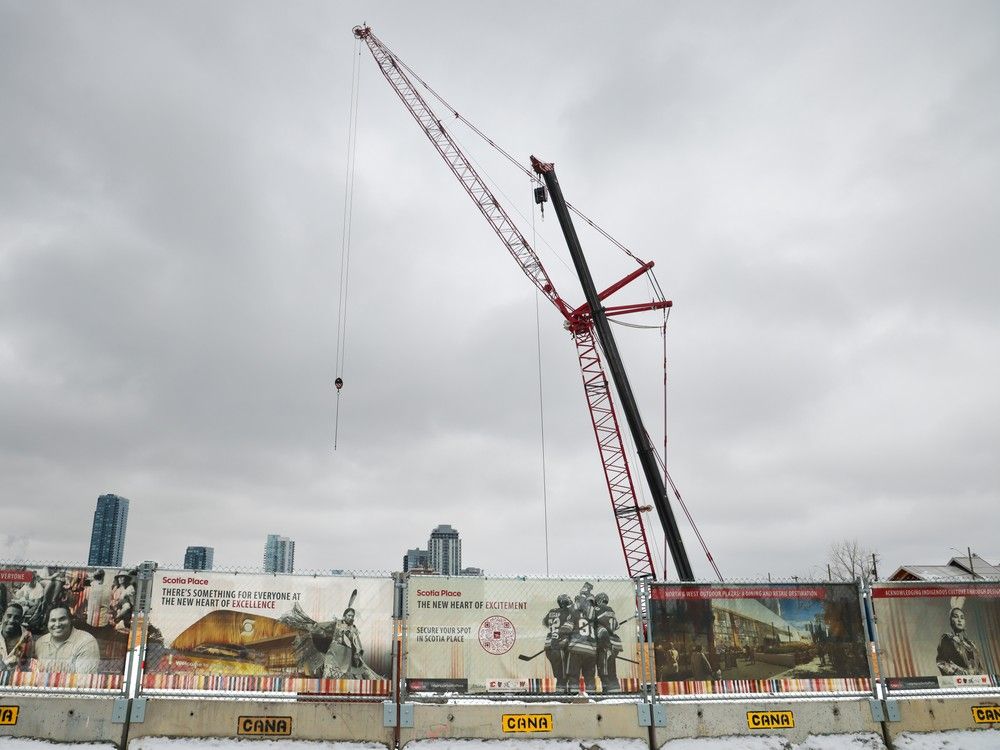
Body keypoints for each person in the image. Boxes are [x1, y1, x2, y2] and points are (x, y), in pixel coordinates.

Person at [32, 606, 100, 674]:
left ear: (70, 620)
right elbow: (36, 672)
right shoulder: (40, 642)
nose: (57, 624)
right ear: (47, 623)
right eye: (53, 620)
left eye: (62, 619)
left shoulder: (86, 641)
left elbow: (83, 679)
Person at [322, 607, 379, 679]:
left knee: (352, 675)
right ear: (344, 615)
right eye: (349, 615)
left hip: (347, 655)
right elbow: (327, 632)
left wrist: (358, 652)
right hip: (334, 653)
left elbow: (357, 642)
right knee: (328, 674)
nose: (351, 617)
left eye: (352, 616)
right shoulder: (337, 623)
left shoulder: (353, 628)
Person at [937, 606, 986, 676]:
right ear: (951, 620)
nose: (959, 620)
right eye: (956, 617)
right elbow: (941, 662)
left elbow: (981, 668)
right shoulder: (947, 639)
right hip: (958, 681)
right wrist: (961, 673)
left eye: (962, 618)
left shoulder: (972, 644)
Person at [542, 594, 574, 691]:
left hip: (548, 646)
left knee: (559, 674)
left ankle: (560, 693)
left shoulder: (552, 611)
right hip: (560, 646)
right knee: (563, 676)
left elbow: (545, 622)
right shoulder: (569, 612)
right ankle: (562, 696)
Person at [592, 592, 622, 693]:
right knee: (611, 669)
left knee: (603, 669)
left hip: (605, 643)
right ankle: (615, 691)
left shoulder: (597, 609)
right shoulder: (611, 610)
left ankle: (608, 690)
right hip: (614, 643)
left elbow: (592, 622)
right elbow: (616, 626)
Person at [0, 603, 33, 670]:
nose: (11, 620)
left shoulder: (26, 637)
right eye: (9, 616)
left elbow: (23, 661)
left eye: (16, 617)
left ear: (21, 620)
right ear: (3, 616)